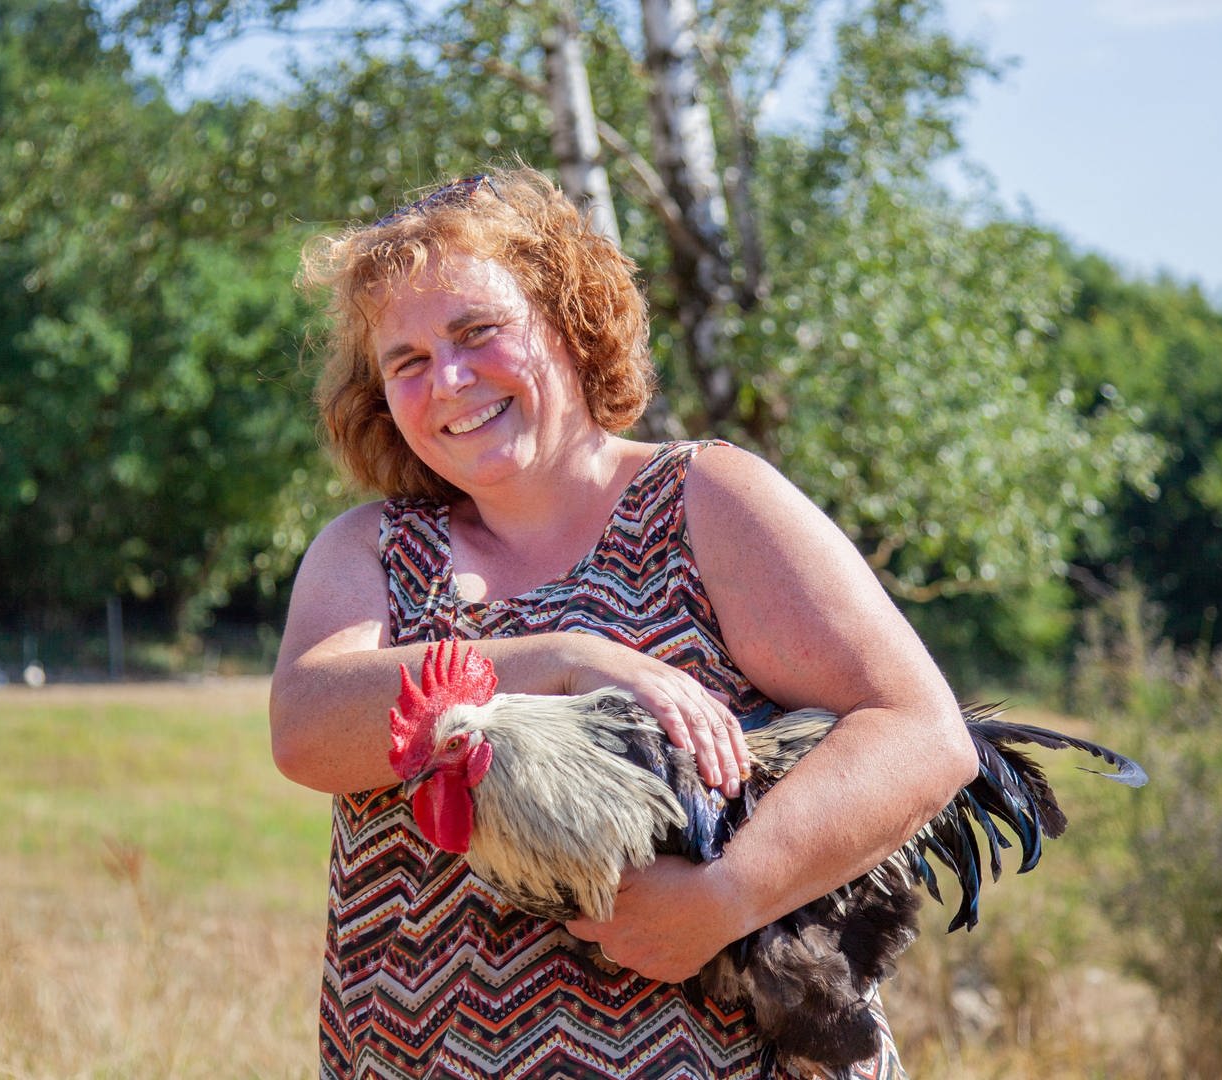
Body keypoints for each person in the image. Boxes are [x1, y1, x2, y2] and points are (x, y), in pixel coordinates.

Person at [271, 165, 977, 1079]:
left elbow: (923, 734)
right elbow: (306, 727)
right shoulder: (370, 549)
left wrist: (723, 900)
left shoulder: (705, 499)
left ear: (568, 321)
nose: (448, 378)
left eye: (478, 331)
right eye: (406, 362)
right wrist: (565, 660)